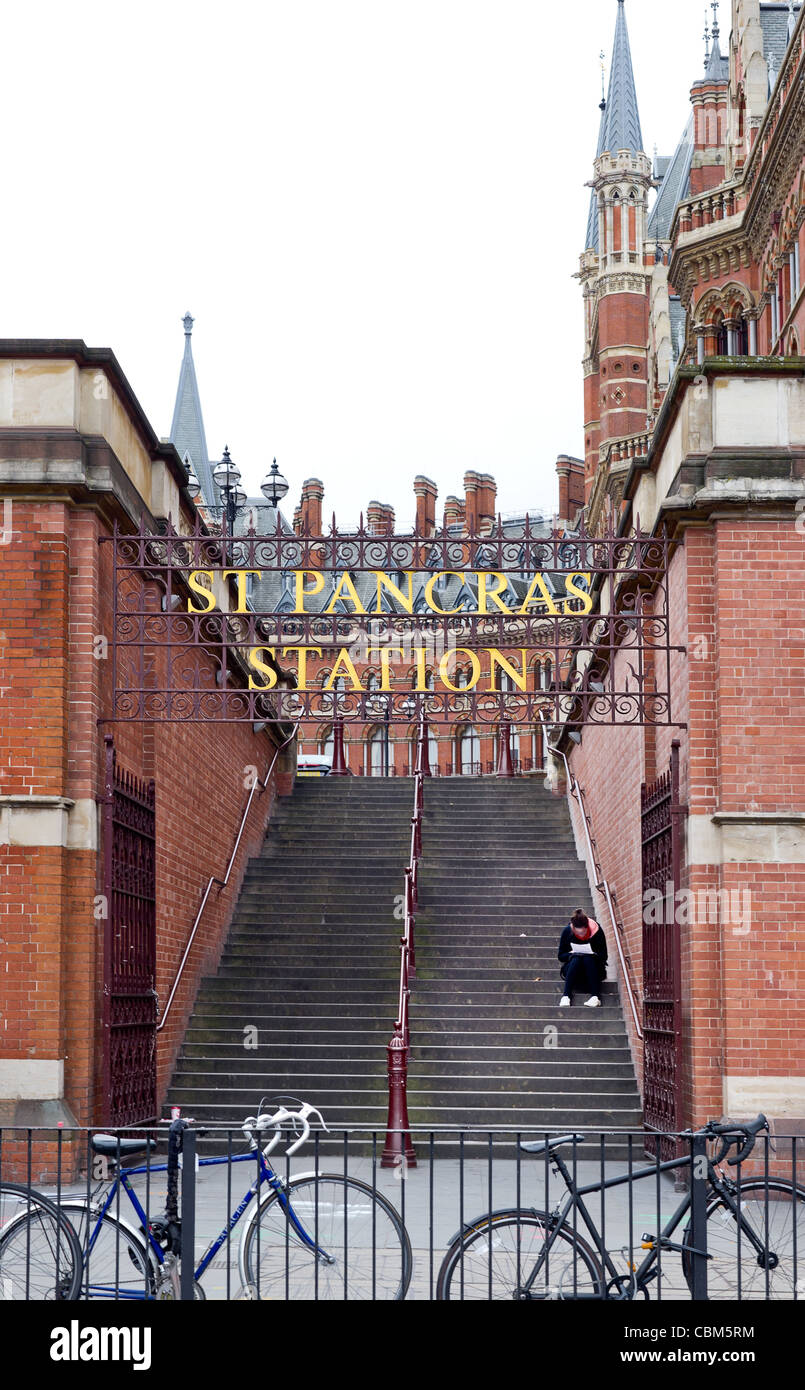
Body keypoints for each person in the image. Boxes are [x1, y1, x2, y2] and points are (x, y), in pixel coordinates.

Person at [557, 908, 607, 1008]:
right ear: (573, 929)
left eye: (583, 932)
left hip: (593, 970)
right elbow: (561, 956)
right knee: (577, 958)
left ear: (587, 928)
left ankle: (595, 997)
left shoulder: (596, 931)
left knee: (587, 958)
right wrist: (571, 955)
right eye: (578, 933)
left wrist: (593, 955)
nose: (581, 935)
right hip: (574, 970)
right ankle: (566, 996)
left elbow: (604, 956)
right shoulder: (567, 931)